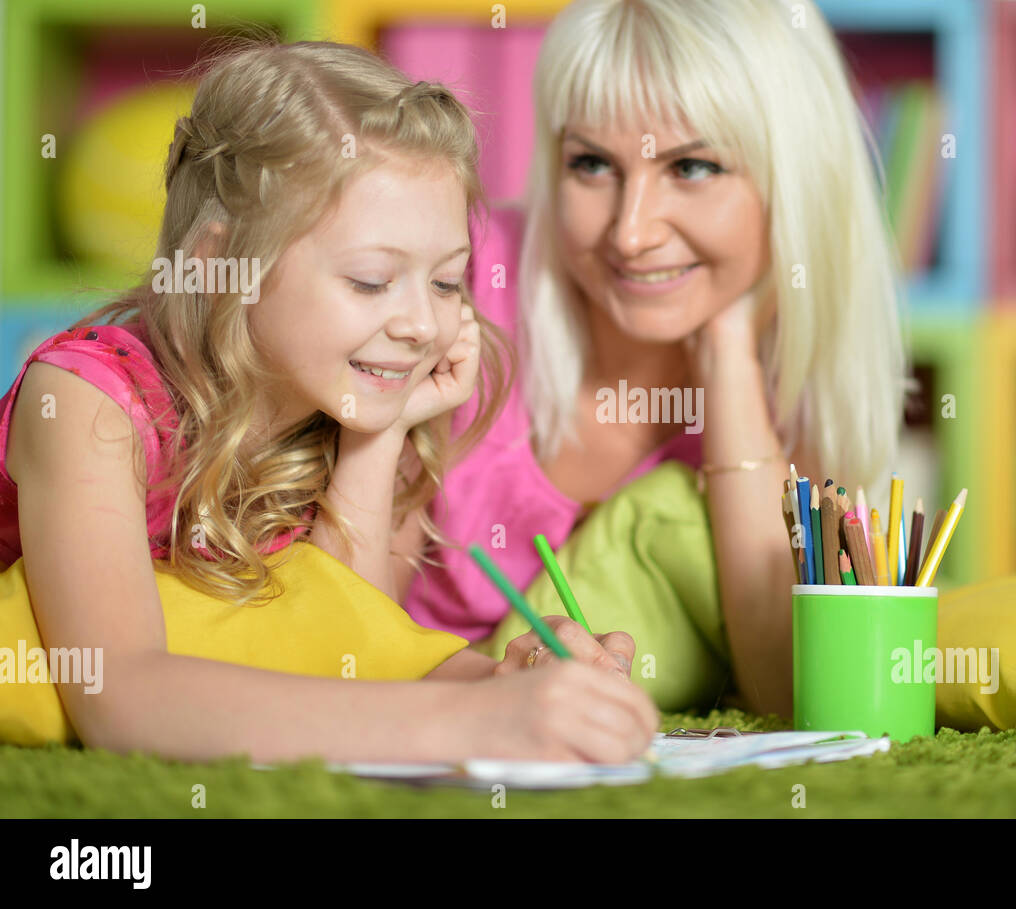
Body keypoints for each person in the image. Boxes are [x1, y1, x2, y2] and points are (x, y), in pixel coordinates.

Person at [0, 40, 657, 764]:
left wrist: (514, 678)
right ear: (222, 266)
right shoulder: (86, 403)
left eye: (445, 282)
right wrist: (469, 720)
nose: (419, 324)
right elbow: (120, 699)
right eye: (373, 281)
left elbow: (342, 639)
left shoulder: (326, 395)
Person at [399, 0, 906, 717]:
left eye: (693, 166)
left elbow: (784, 690)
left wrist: (727, 356)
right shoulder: (464, 275)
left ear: (792, 180)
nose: (631, 233)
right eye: (592, 164)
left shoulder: (795, 388)